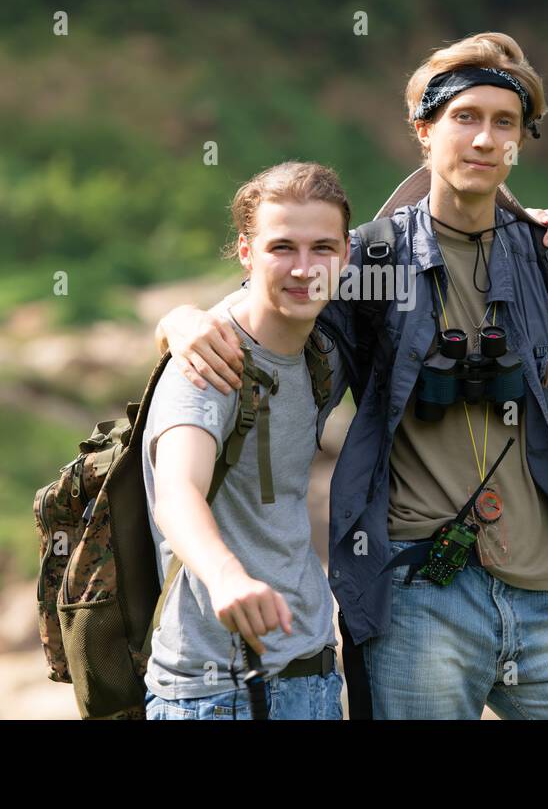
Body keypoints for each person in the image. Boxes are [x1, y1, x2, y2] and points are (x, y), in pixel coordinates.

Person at [160, 31, 548, 719]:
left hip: (542, 600)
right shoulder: (368, 259)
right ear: (424, 130)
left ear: (521, 140)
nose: (484, 139)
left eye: (504, 123)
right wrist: (180, 319)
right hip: (418, 599)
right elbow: (276, 297)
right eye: (465, 118)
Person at [142, 160, 353, 719]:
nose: (304, 269)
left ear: (347, 255)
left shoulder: (326, 350)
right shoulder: (208, 360)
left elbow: (434, 204)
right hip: (213, 687)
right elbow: (177, 493)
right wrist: (227, 577)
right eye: (282, 247)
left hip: (312, 670)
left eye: (323, 248)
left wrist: (528, 220)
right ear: (246, 253)